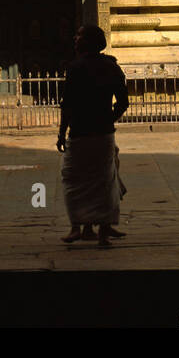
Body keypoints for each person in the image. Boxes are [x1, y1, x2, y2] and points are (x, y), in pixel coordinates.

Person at [57, 25, 129, 247]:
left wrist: (61, 132)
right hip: (103, 133)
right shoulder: (112, 67)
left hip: (79, 132)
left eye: (79, 36)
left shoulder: (75, 68)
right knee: (104, 180)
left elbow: (67, 105)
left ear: (87, 41)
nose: (75, 38)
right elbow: (124, 102)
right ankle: (101, 231)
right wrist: (108, 118)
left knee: (73, 178)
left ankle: (77, 226)